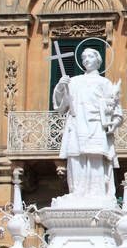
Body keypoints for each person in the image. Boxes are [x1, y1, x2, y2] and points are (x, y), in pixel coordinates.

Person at [52, 47, 123, 199]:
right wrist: (59, 87)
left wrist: (113, 125)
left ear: (98, 60)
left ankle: (97, 193)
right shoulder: (74, 82)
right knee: (75, 158)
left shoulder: (104, 83)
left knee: (95, 158)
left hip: (96, 126)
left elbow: (116, 110)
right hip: (76, 125)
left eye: (90, 56)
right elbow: (62, 106)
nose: (86, 60)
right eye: (84, 57)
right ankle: (77, 192)